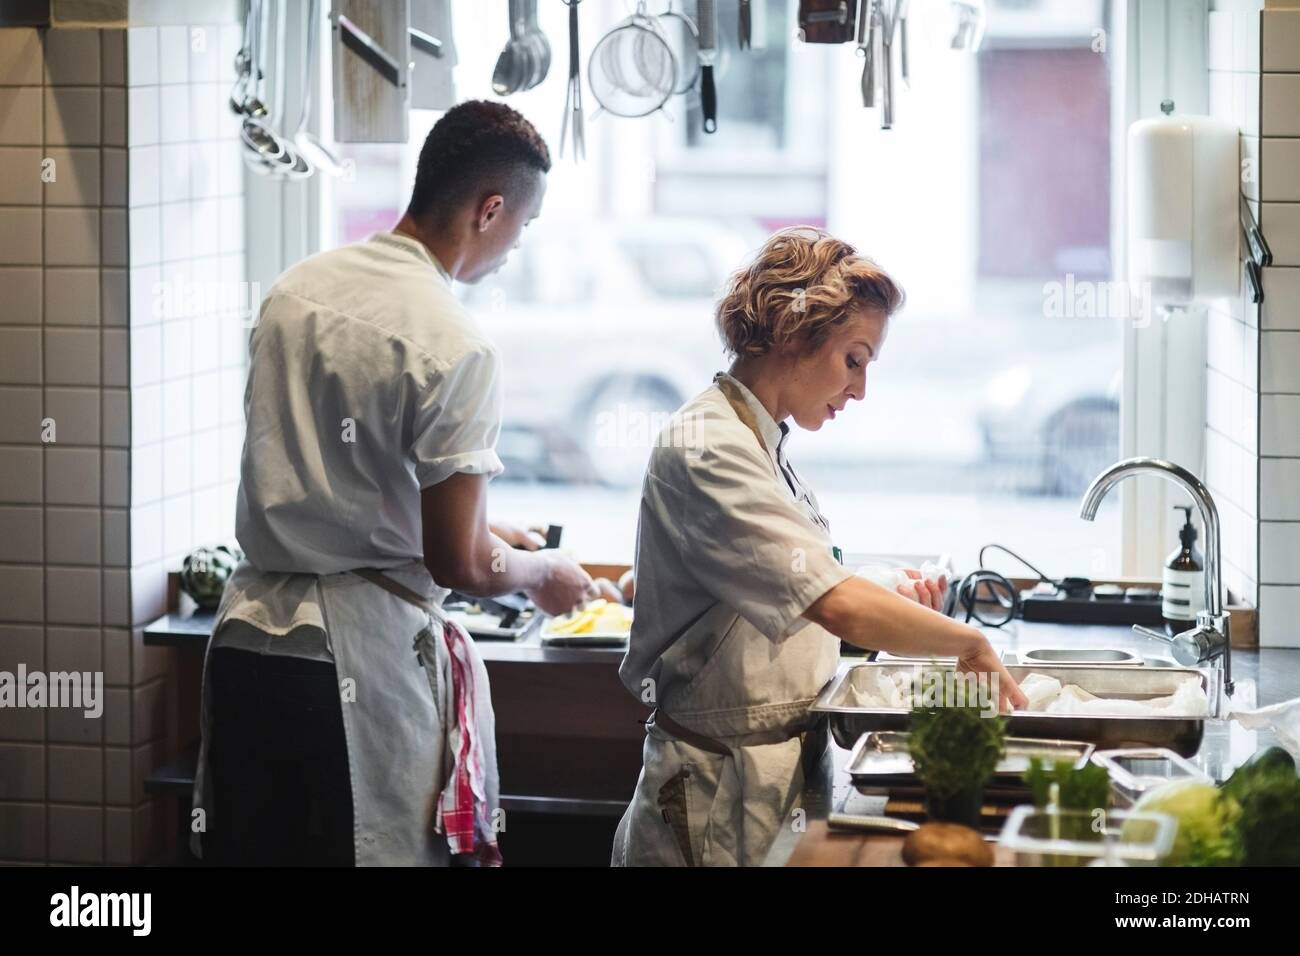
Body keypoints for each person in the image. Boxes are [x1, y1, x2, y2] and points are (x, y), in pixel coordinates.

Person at [193, 101, 597, 866]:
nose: (517, 245)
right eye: (525, 224)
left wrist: (482, 534)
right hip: (353, 671)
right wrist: (540, 572)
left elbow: (338, 479)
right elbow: (460, 566)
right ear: (490, 210)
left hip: (248, 643)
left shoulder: (296, 290)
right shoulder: (457, 343)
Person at [611, 227, 1028, 867]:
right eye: (853, 360)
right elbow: (829, 601)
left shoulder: (760, 442)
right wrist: (965, 641)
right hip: (712, 792)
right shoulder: (707, 445)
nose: (859, 390)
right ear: (794, 333)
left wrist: (885, 601)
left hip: (768, 778)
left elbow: (790, 591)